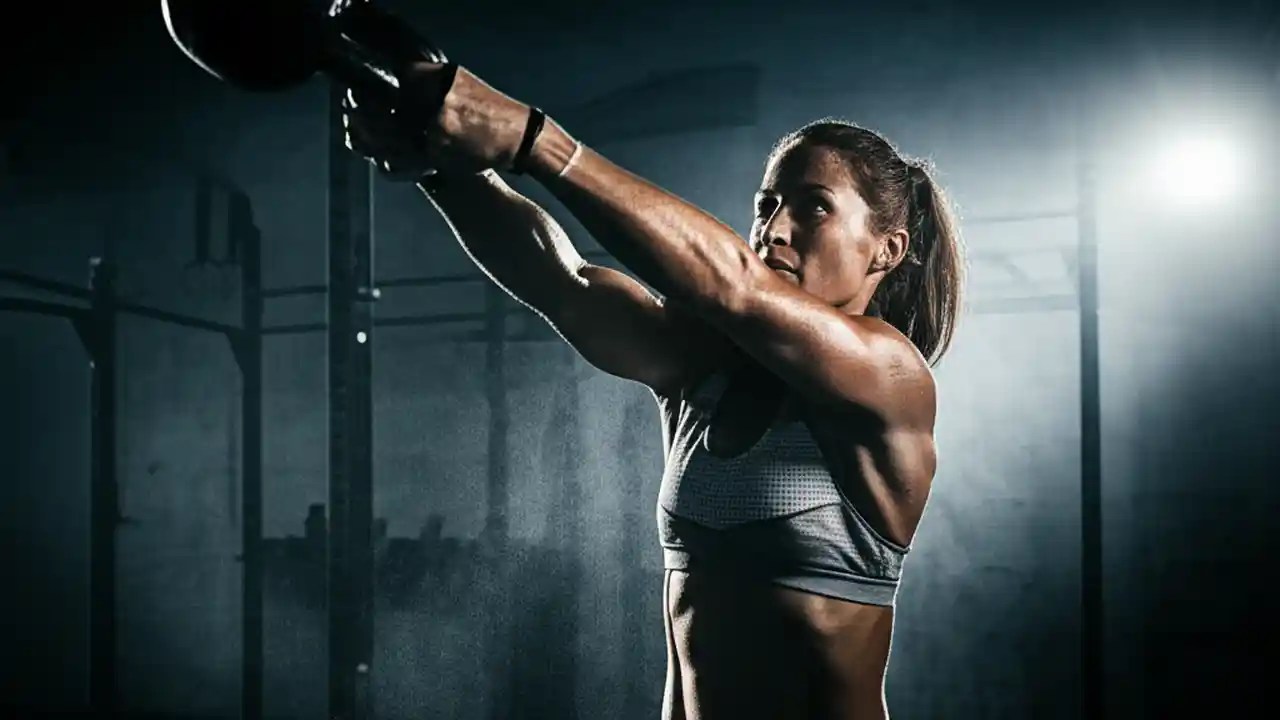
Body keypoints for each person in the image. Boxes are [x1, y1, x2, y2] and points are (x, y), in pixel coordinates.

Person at [344, 60, 964, 720]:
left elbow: (734, 288)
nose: (775, 228)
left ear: (887, 250)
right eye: (767, 205)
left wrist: (532, 139)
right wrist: (439, 164)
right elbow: (563, 281)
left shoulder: (889, 378)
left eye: (813, 206)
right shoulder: (700, 370)